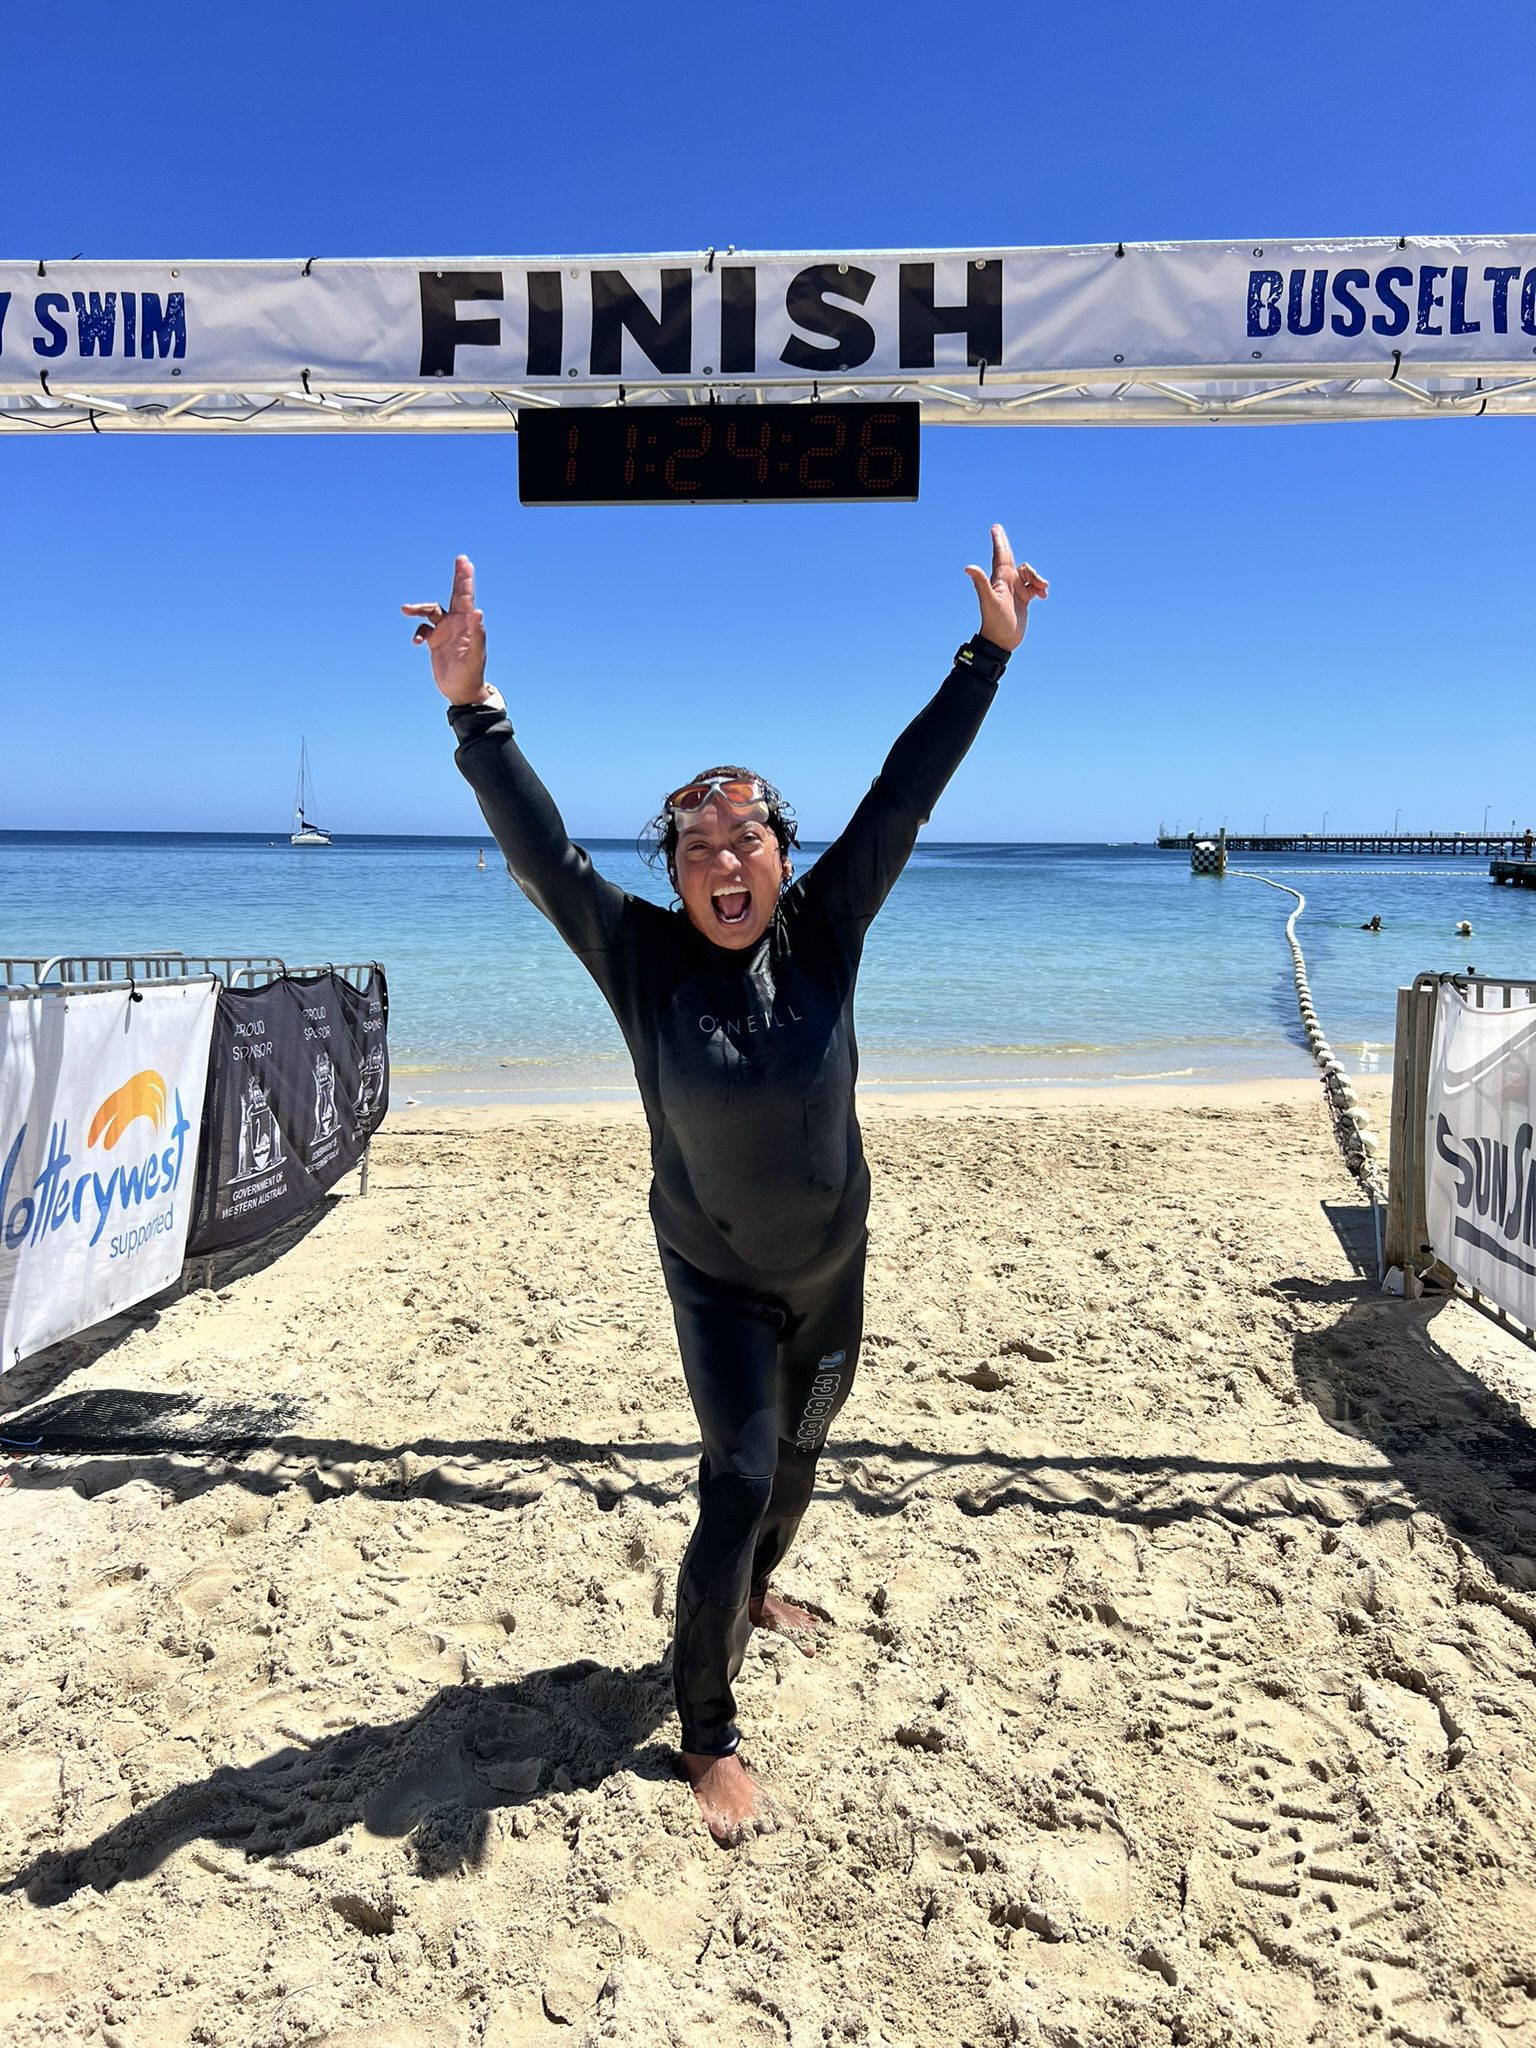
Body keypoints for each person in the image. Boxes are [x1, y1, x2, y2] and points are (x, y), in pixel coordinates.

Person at [402, 528, 1047, 1845]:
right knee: (739, 1479)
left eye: (745, 831)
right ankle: (706, 1732)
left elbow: (903, 792)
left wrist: (988, 656)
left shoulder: (828, 928)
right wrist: (475, 711)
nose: (722, 853)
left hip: (834, 1270)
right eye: (696, 840)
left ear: (782, 857)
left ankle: (753, 1596)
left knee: (801, 1467)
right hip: (716, 1280)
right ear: (677, 870)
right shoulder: (641, 964)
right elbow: (544, 856)